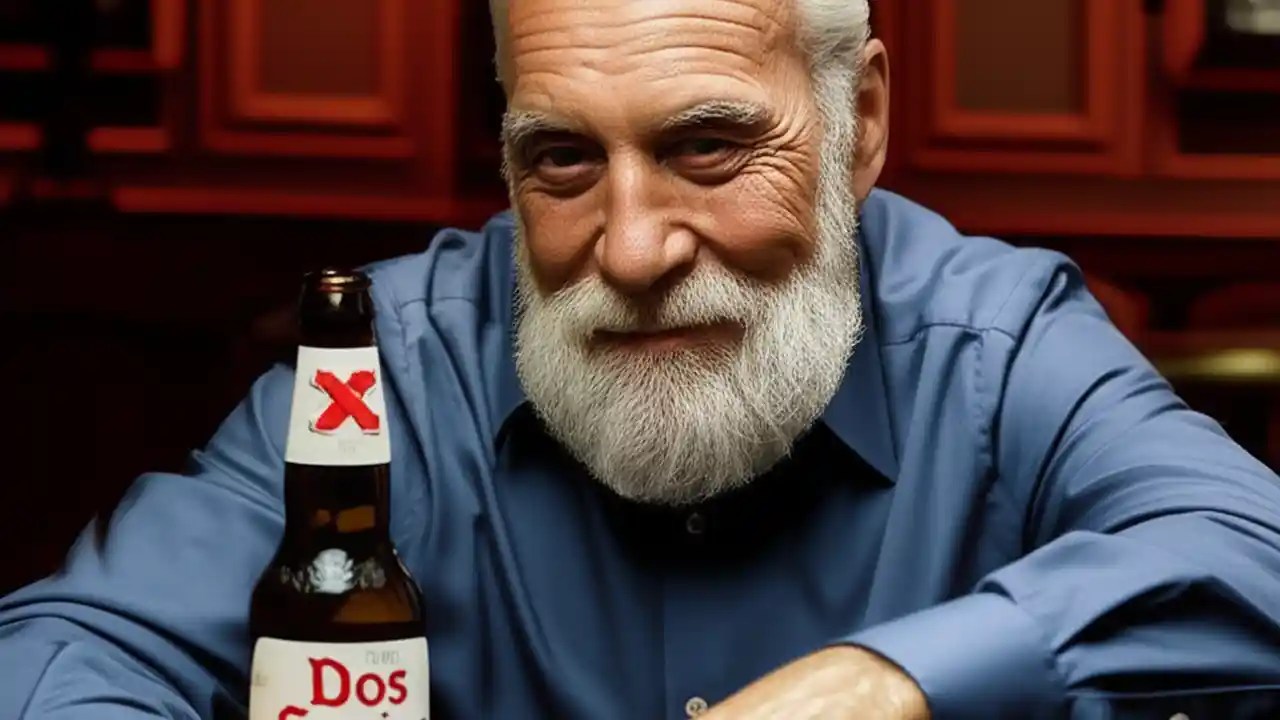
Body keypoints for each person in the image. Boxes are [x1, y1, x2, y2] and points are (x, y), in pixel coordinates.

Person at [4, 0, 1280, 717]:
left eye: (708, 148)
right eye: (561, 160)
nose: (627, 248)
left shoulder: (993, 348)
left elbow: (1250, 554)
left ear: (858, 126)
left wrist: (904, 678)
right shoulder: (393, 367)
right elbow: (70, 655)